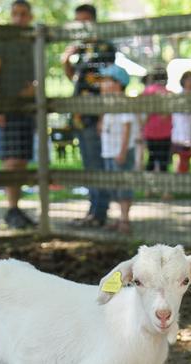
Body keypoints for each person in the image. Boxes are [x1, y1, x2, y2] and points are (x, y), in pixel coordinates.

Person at [62, 3, 116, 227]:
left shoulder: (105, 47)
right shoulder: (80, 49)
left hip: (95, 116)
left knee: (97, 166)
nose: (80, 26)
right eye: (78, 22)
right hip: (79, 116)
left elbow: (107, 84)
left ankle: (100, 212)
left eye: (84, 21)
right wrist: (65, 60)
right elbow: (76, 79)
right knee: (89, 166)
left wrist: (103, 116)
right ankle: (93, 210)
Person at [0, 0, 37, 229]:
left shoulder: (32, 41)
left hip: (27, 111)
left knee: (22, 161)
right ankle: (10, 209)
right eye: (15, 14)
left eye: (23, 14)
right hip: (7, 110)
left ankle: (15, 209)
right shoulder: (3, 40)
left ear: (30, 16)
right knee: (11, 160)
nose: (19, 18)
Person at [98, 64, 136, 234]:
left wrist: (122, 151)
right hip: (108, 150)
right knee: (113, 186)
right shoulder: (108, 104)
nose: (102, 85)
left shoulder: (123, 102)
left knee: (123, 185)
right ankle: (118, 219)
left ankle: (125, 220)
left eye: (106, 81)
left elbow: (127, 128)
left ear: (118, 83)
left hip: (121, 151)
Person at [171, 71, 191, 174]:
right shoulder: (179, 96)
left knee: (188, 155)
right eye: (188, 79)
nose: (190, 82)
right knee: (178, 156)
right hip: (179, 131)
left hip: (190, 131)